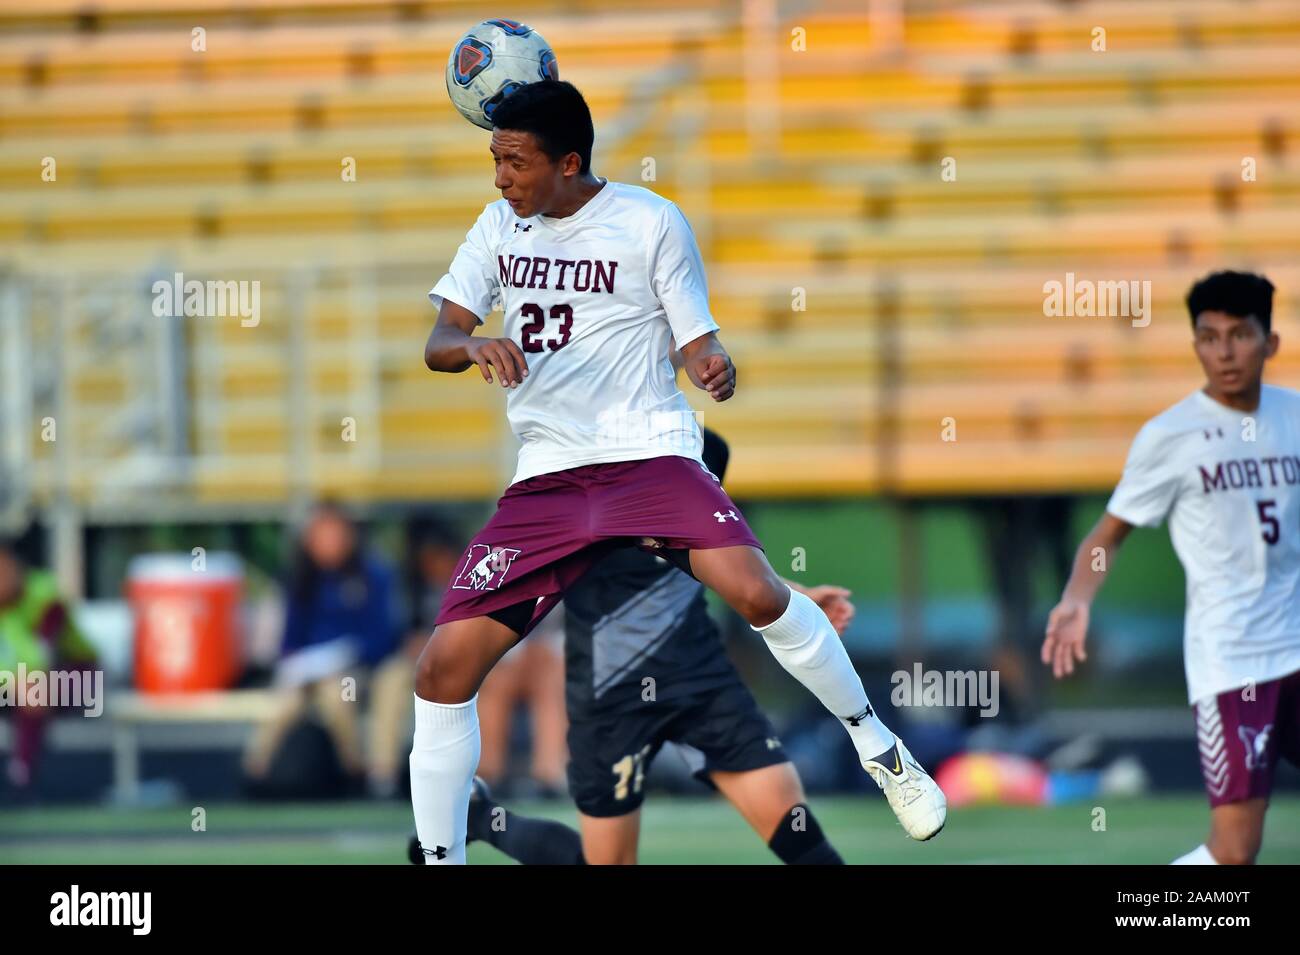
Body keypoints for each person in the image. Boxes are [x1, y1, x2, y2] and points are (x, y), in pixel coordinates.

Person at [410, 79, 945, 864]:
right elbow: (439, 337)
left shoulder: (650, 221)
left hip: (647, 456)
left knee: (760, 592)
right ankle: (440, 853)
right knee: (441, 669)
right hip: (550, 475)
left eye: (514, 161)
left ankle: (878, 745)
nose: (500, 177)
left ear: (568, 161)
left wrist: (714, 366)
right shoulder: (495, 227)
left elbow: (697, 343)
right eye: (495, 158)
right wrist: (472, 345)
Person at [411, 428, 852, 864]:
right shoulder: (571, 474)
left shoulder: (697, 448)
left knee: (799, 836)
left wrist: (791, 595)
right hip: (611, 696)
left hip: (700, 678)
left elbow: (721, 558)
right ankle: (482, 817)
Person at [1042, 271, 1300, 865]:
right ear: (1195, 347)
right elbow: (1107, 535)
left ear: (1271, 342)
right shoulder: (1171, 436)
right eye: (1209, 338)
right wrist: (1078, 599)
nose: (1224, 352)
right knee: (1235, 853)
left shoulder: (1291, 417)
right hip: (1233, 665)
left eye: (1239, 335)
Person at [244, 502, 410, 797]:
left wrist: (344, 656)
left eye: (334, 534)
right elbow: (289, 643)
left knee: (346, 691)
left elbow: (384, 637)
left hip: (365, 669)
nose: (329, 542)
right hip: (314, 675)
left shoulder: (374, 575)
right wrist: (306, 663)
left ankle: (373, 775)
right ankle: (255, 774)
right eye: (321, 535)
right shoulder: (301, 580)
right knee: (287, 701)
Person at [0, 543, 97, 793]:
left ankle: (23, 776)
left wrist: (17, 681)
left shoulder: (44, 595)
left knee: (35, 689)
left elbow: (44, 653)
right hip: (20, 684)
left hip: (79, 677)